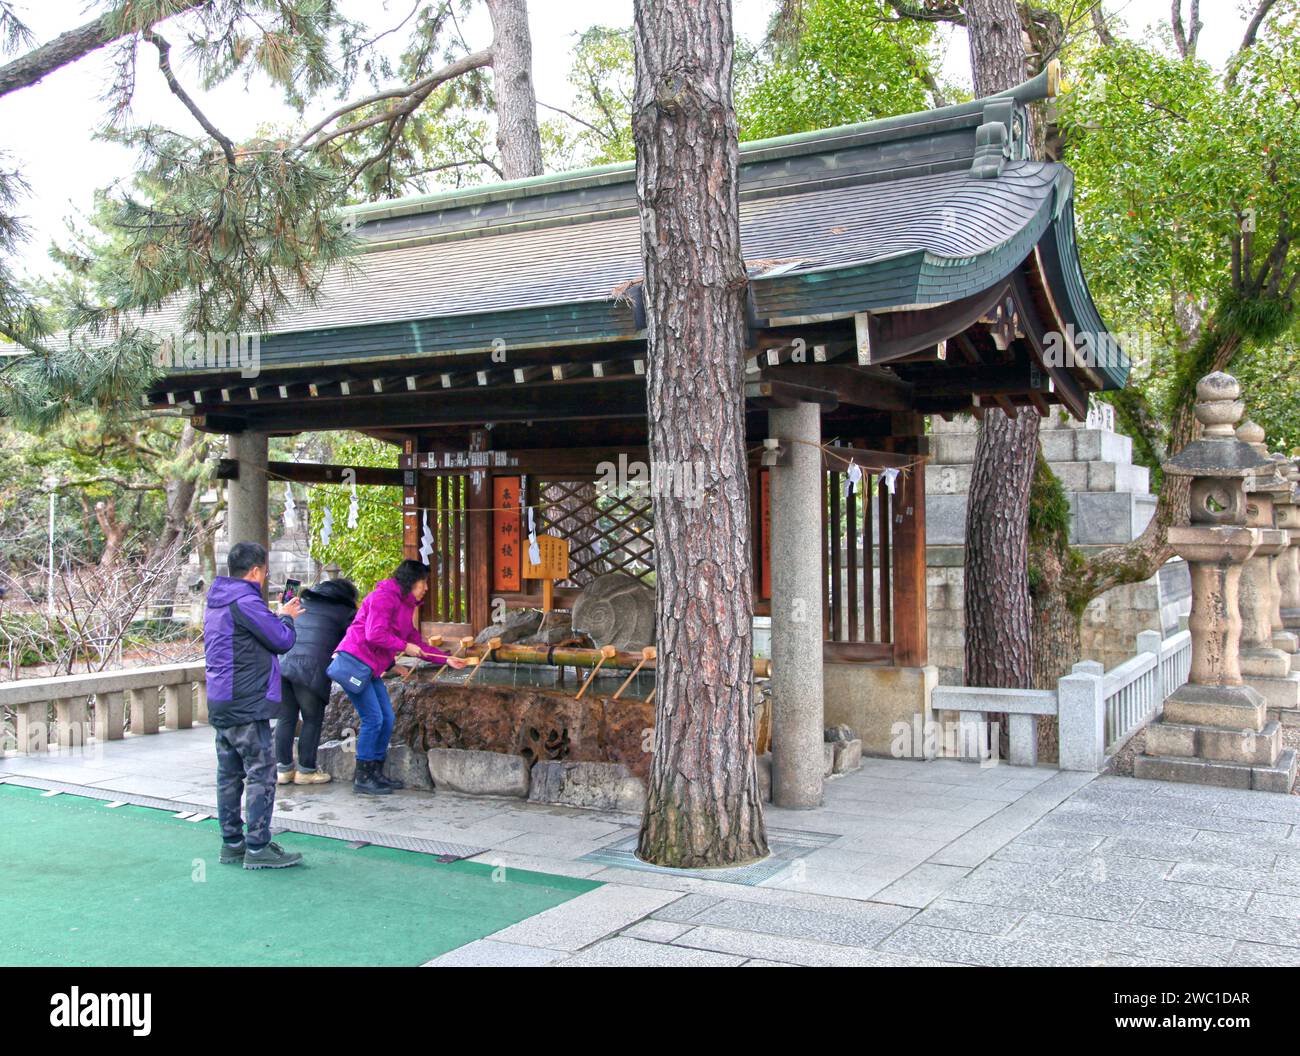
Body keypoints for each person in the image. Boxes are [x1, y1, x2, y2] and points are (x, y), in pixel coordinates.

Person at [204, 541, 304, 870]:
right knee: (261, 772)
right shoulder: (245, 600)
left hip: (221, 699)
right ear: (256, 571)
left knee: (228, 774)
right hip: (247, 700)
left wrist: (274, 616)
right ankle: (258, 845)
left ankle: (232, 842)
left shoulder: (218, 599)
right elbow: (282, 640)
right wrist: (287, 617)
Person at [327, 560, 466, 796]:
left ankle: (376, 771)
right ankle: (363, 776)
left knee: (387, 717)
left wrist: (445, 659)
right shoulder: (383, 597)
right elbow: (374, 634)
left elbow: (416, 641)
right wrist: (404, 647)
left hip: (370, 667)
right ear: (411, 581)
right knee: (373, 718)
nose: (426, 588)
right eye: (424, 582)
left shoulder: (405, 604)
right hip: (356, 663)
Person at [275, 578, 358, 786]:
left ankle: (283, 769)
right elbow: (353, 641)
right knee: (312, 719)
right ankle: (306, 770)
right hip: (310, 671)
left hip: (283, 664)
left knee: (286, 718)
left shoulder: (299, 602)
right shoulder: (344, 610)